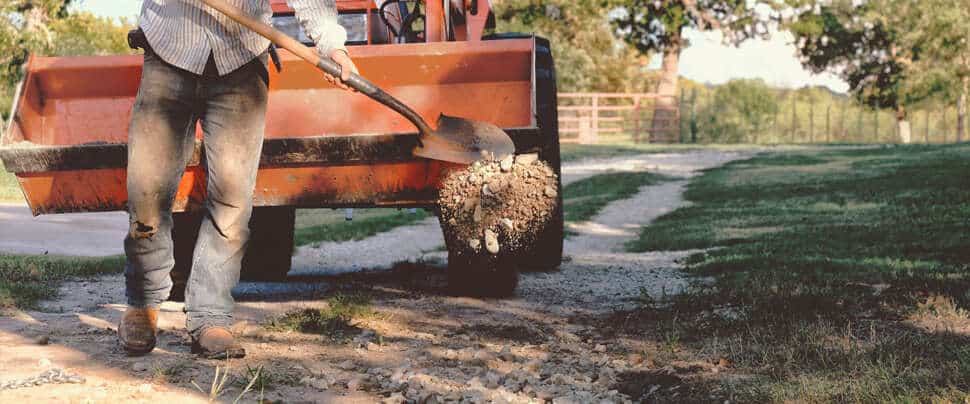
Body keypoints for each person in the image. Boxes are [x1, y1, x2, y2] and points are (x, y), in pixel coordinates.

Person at [118, 0, 358, 359]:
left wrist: (333, 47)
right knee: (146, 194)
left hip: (241, 62)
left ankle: (211, 317)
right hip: (169, 55)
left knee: (232, 204)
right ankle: (142, 304)